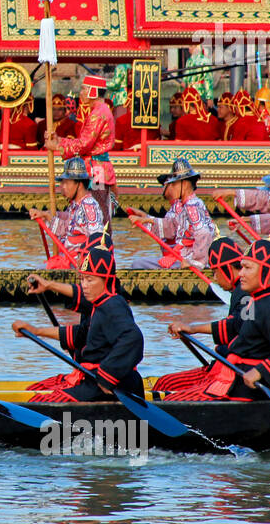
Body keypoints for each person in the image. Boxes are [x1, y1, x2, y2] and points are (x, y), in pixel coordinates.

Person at [160, 238, 270, 402]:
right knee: (171, 398)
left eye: (247, 268)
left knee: (170, 400)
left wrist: (261, 372)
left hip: (249, 390)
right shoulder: (255, 301)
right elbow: (236, 325)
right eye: (241, 267)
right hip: (236, 380)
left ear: (265, 272)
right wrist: (192, 329)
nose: (241, 273)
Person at [16, 239, 146, 404]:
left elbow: (133, 339)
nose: (84, 285)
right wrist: (34, 331)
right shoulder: (99, 305)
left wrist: (108, 376)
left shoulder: (113, 305)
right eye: (82, 279)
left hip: (108, 386)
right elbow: (81, 334)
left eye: (90, 280)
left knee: (39, 403)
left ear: (105, 281)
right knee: (38, 394)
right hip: (93, 381)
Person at [151, 236, 246, 396]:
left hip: (233, 374)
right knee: (164, 383)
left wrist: (192, 329)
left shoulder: (245, 293)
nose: (215, 278)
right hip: (223, 365)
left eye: (215, 272)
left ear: (227, 268)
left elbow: (234, 326)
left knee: (166, 386)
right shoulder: (240, 292)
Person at [127, 158, 216, 269]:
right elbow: (171, 227)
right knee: (139, 263)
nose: (171, 188)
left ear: (184, 183)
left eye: (174, 184)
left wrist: (196, 262)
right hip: (181, 257)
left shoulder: (192, 206)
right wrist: (146, 219)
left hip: (186, 261)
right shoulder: (186, 204)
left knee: (138, 265)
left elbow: (204, 233)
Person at [49, 73, 115, 216]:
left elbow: (84, 144)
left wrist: (58, 147)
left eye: (84, 89)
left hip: (96, 170)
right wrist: (60, 139)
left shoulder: (98, 113)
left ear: (93, 91)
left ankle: (98, 238)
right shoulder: (100, 111)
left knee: (97, 212)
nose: (81, 93)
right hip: (96, 169)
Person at [30, 157, 106, 269]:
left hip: (79, 264)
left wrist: (85, 262)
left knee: (41, 271)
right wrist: (46, 215)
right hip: (67, 259)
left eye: (66, 183)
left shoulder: (89, 205)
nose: (62, 187)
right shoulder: (74, 206)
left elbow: (97, 237)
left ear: (79, 185)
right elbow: (65, 230)